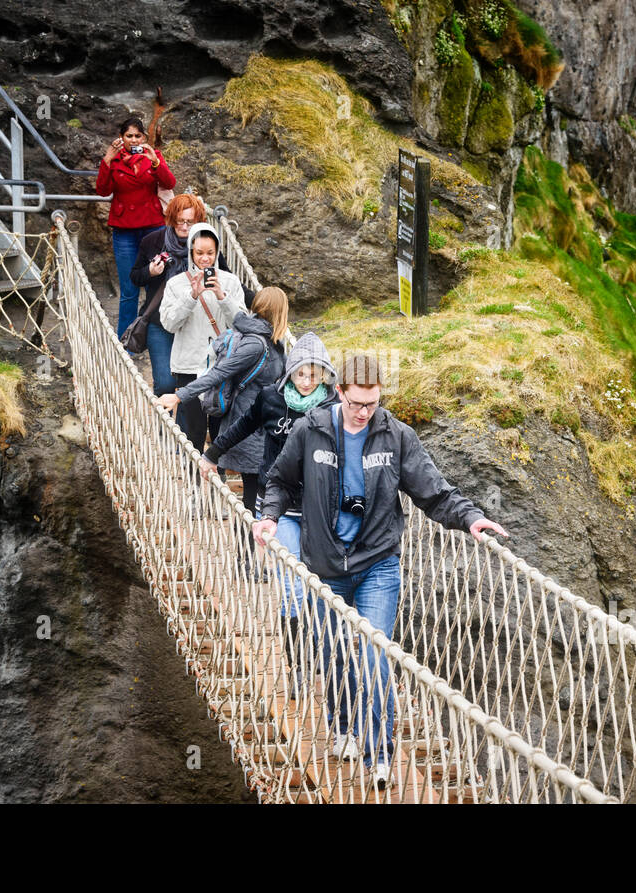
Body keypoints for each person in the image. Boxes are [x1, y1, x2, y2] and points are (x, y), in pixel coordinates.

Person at [253, 352, 509, 789]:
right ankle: (345, 727)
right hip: (324, 563)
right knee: (332, 654)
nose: (363, 412)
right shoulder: (311, 430)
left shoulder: (395, 436)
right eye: (356, 404)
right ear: (339, 393)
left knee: (375, 657)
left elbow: (434, 492)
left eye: (372, 404)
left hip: (377, 563)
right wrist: (271, 516)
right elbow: (279, 480)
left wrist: (471, 519)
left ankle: (378, 755)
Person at [198, 332, 337, 622]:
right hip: (277, 504)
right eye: (300, 374)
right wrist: (212, 455)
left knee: (319, 584)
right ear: (290, 372)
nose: (307, 381)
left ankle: (311, 641)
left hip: (319, 506)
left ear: (325, 375)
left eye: (314, 375)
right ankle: (294, 653)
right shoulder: (271, 398)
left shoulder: (333, 409)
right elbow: (244, 425)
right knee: (292, 580)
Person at [159, 286, 288, 513]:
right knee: (253, 497)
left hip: (264, 424)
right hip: (249, 427)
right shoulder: (256, 343)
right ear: (281, 312)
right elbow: (219, 373)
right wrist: (179, 396)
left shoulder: (271, 341)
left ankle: (249, 545)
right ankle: (245, 547)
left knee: (257, 495)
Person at [157, 222, 245, 452]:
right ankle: (194, 478)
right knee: (193, 429)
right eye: (199, 253)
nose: (205, 259)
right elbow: (169, 323)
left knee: (221, 427)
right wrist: (192, 296)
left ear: (217, 253)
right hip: (189, 365)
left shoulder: (231, 282)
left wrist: (221, 295)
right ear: (190, 251)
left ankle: (219, 476)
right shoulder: (176, 284)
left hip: (223, 365)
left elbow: (243, 323)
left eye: (210, 253)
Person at [96, 115, 176, 338]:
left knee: (156, 284)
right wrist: (107, 160)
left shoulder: (153, 156)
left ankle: (154, 337)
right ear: (121, 138)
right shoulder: (115, 160)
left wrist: (155, 161)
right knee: (129, 289)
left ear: (144, 137)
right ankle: (126, 340)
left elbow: (169, 183)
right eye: (128, 136)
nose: (133, 140)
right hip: (125, 231)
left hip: (154, 229)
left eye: (137, 136)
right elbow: (102, 190)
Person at [129, 193, 204, 395]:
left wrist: (259, 301)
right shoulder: (152, 241)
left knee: (191, 384)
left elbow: (227, 277)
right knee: (165, 383)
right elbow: (135, 277)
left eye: (190, 222)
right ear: (171, 218)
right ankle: (162, 425)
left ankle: (181, 427)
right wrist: (150, 272)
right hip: (159, 319)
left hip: (193, 322)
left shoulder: (205, 244)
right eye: (180, 221)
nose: (185, 227)